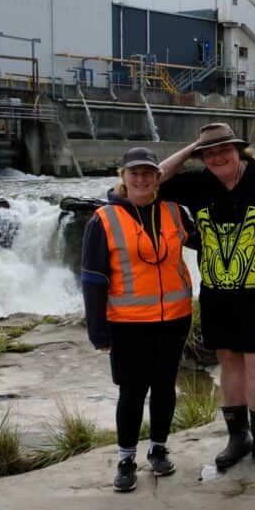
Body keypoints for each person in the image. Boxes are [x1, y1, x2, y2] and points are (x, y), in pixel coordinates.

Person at [158, 122, 255, 471]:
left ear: (239, 150)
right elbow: (153, 179)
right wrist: (193, 148)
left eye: (224, 150)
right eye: (210, 153)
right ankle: (237, 436)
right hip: (218, 296)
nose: (218, 158)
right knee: (229, 364)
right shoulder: (198, 182)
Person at [81, 147, 196, 492]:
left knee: (164, 388)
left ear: (159, 177)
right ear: (123, 176)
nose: (142, 179)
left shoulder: (175, 212)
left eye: (148, 173)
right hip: (127, 323)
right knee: (132, 392)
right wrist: (98, 331)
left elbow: (207, 241)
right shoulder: (103, 219)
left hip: (174, 318)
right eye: (135, 173)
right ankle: (126, 459)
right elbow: (93, 279)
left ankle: (158, 449)